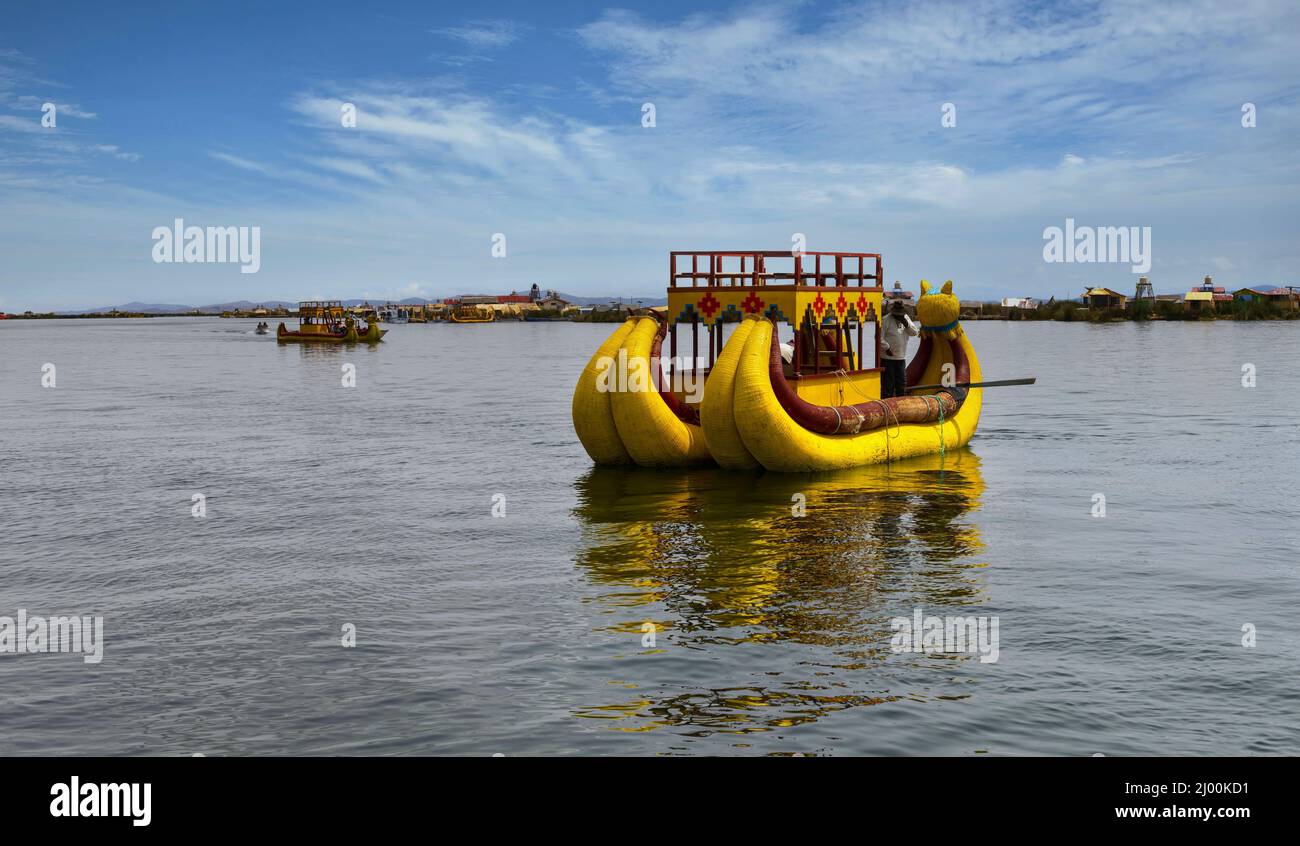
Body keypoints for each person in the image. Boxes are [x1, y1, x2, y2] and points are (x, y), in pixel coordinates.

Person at [880, 300, 919, 398]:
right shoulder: (886, 320)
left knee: (901, 384)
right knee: (888, 385)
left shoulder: (906, 318)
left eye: (901, 314)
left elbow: (914, 333)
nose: (899, 316)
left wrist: (906, 324)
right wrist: (887, 348)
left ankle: (901, 403)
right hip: (887, 358)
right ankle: (887, 405)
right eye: (897, 314)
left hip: (901, 358)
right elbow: (879, 337)